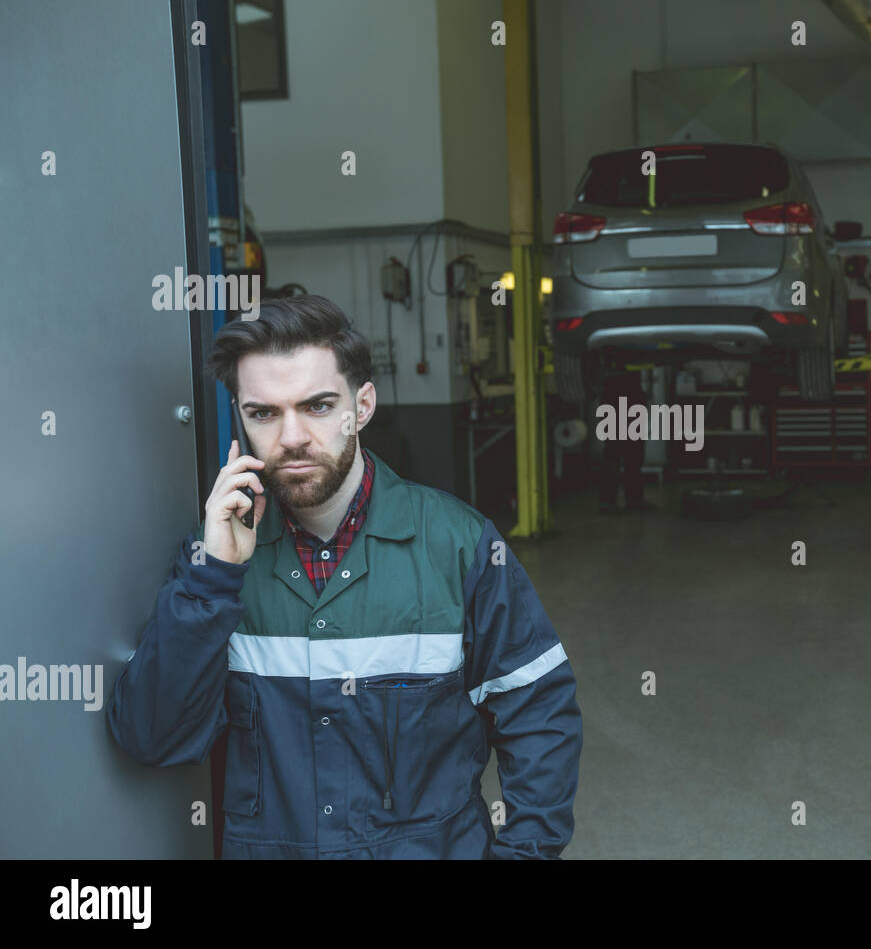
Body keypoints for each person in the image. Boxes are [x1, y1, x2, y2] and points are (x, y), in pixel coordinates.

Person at [107, 295, 582, 859]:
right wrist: (214, 579)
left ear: (362, 406)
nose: (291, 437)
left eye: (317, 406)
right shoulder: (214, 561)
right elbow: (151, 739)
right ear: (240, 417)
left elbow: (539, 715)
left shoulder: (459, 545)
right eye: (264, 413)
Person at [596, 366, 654, 513]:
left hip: (619, 394)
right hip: (623, 393)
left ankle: (622, 501)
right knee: (621, 452)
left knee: (625, 452)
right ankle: (621, 501)